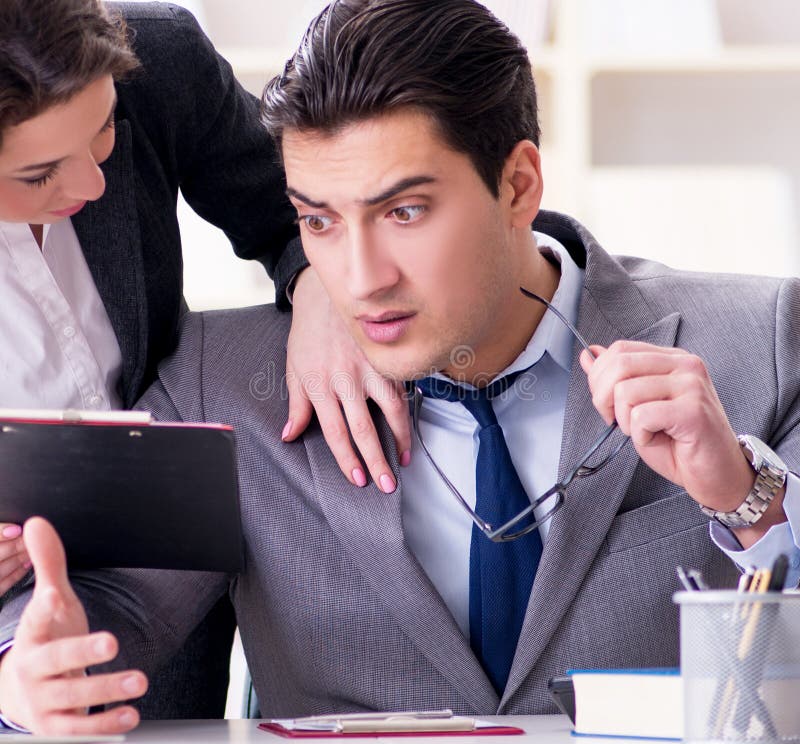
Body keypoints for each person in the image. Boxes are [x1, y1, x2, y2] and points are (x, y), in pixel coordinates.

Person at [1, 0, 799, 735]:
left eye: (404, 211)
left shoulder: (759, 342)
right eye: (317, 220)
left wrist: (746, 497)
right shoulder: (224, 383)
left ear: (518, 184)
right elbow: (101, 611)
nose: (361, 278)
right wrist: (23, 673)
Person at [0, 0, 410, 719]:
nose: (94, 185)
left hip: (166, 600)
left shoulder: (160, 60)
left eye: (103, 130)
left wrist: (317, 292)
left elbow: (302, 202)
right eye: (39, 175)